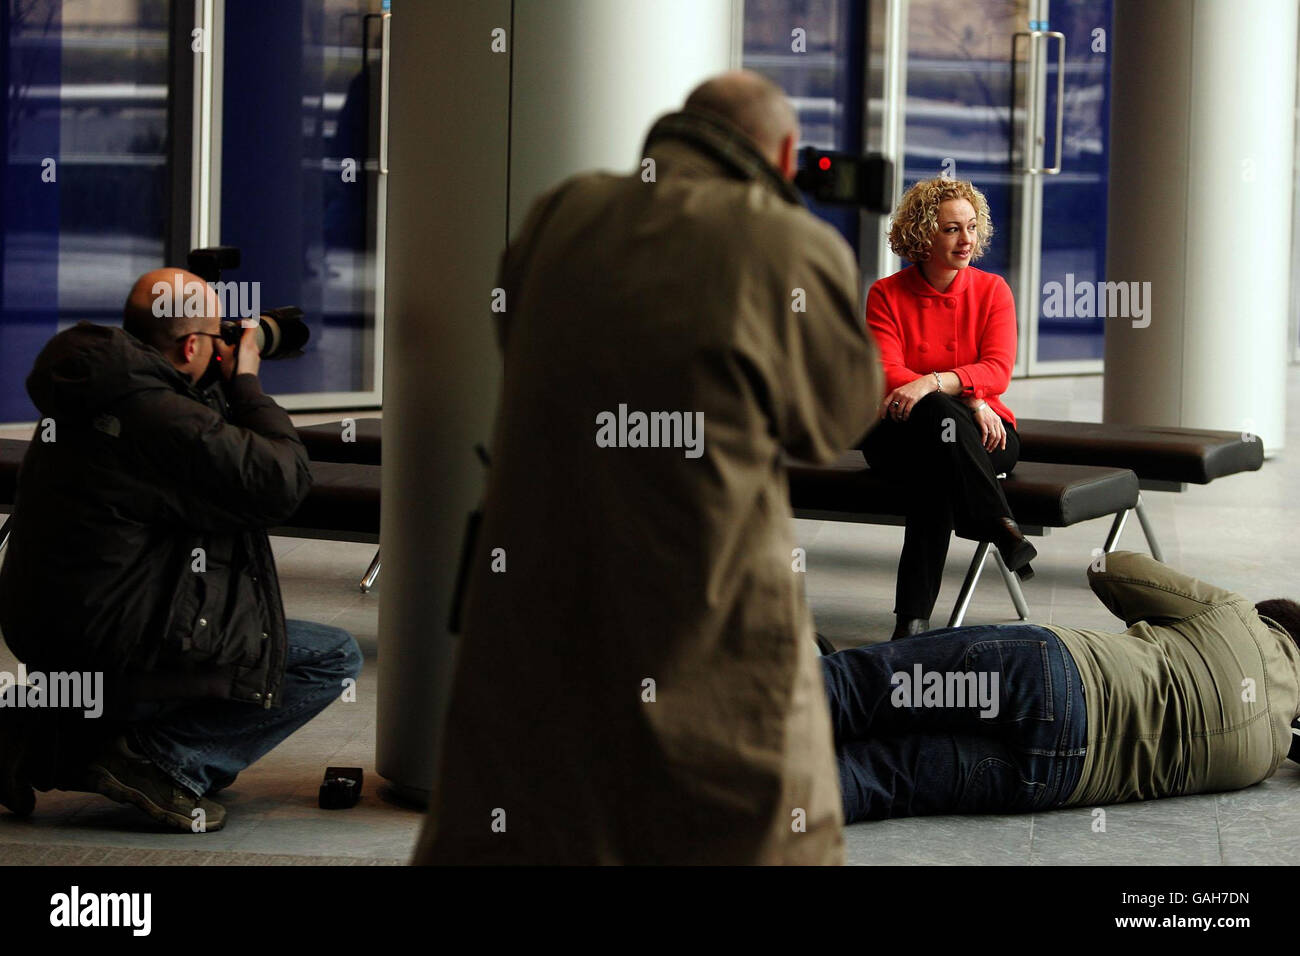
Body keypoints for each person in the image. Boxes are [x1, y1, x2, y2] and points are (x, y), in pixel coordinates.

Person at [413, 71, 883, 865]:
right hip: (705, 620)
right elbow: (836, 417)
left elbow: (516, 340)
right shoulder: (784, 241)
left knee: (537, 821)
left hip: (535, 608)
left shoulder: (560, 211)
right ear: (786, 153)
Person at [0, 269, 362, 832]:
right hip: (117, 639)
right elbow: (281, 481)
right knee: (331, 657)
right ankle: (155, 759)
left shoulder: (96, 384)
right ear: (193, 345)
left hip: (53, 631)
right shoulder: (160, 416)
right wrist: (245, 381)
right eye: (217, 336)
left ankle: (34, 734)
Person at [820, 551, 1300, 821]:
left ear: (1270, 619)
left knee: (860, 689)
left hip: (1050, 677)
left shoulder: (1234, 616)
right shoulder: (1267, 758)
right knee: (880, 778)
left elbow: (1109, 568)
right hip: (1053, 779)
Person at [862, 176, 1035, 641]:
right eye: (951, 229)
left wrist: (942, 384)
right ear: (922, 233)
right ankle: (1000, 524)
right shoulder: (886, 294)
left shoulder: (993, 290)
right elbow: (887, 374)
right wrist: (969, 395)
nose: (966, 240)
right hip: (898, 434)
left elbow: (998, 370)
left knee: (937, 468)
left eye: (971, 228)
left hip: (987, 436)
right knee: (935, 422)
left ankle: (911, 625)